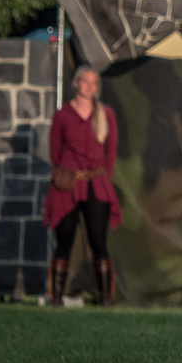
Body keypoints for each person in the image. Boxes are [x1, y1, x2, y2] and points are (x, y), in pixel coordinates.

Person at [43, 65, 122, 304]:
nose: (89, 86)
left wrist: (102, 178)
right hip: (68, 184)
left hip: (95, 183)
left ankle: (106, 297)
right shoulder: (63, 115)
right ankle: (55, 296)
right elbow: (55, 152)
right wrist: (64, 176)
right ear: (76, 83)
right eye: (85, 81)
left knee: (98, 239)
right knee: (64, 238)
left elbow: (111, 152)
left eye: (93, 82)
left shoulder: (105, 114)